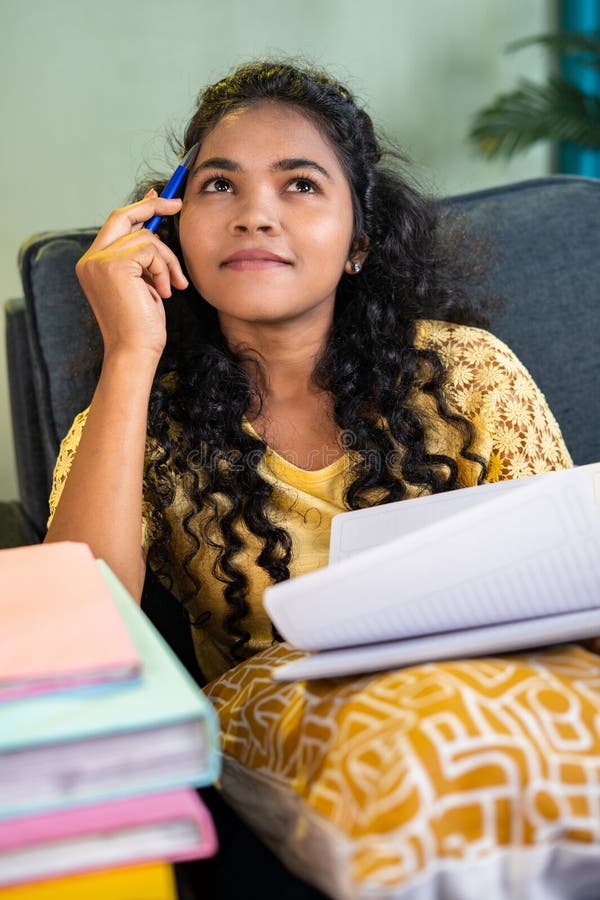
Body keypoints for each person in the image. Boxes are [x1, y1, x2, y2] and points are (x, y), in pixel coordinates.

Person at [45, 59, 572, 684]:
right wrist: (129, 353)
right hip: (284, 725)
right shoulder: (136, 420)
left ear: (359, 243)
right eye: (218, 185)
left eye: (300, 184)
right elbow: (72, 634)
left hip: (485, 698)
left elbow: (568, 584)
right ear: (171, 227)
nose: (255, 217)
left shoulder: (468, 372)